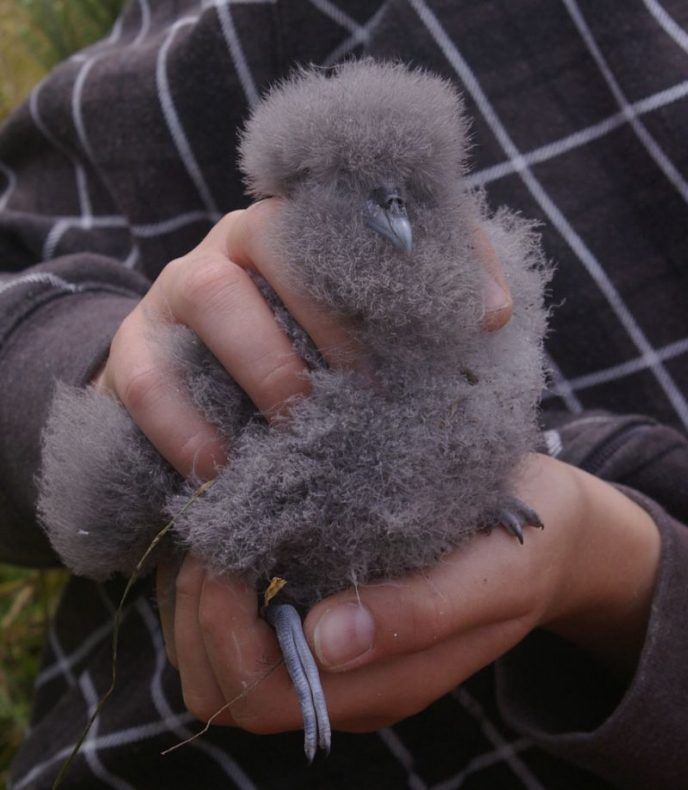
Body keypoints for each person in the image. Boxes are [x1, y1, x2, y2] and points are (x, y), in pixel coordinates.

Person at [2, 1, 687, 787]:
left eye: (409, 191)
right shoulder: (276, 29)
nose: (396, 218)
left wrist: (625, 572)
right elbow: (20, 272)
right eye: (367, 192)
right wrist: (121, 374)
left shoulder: (487, 281)